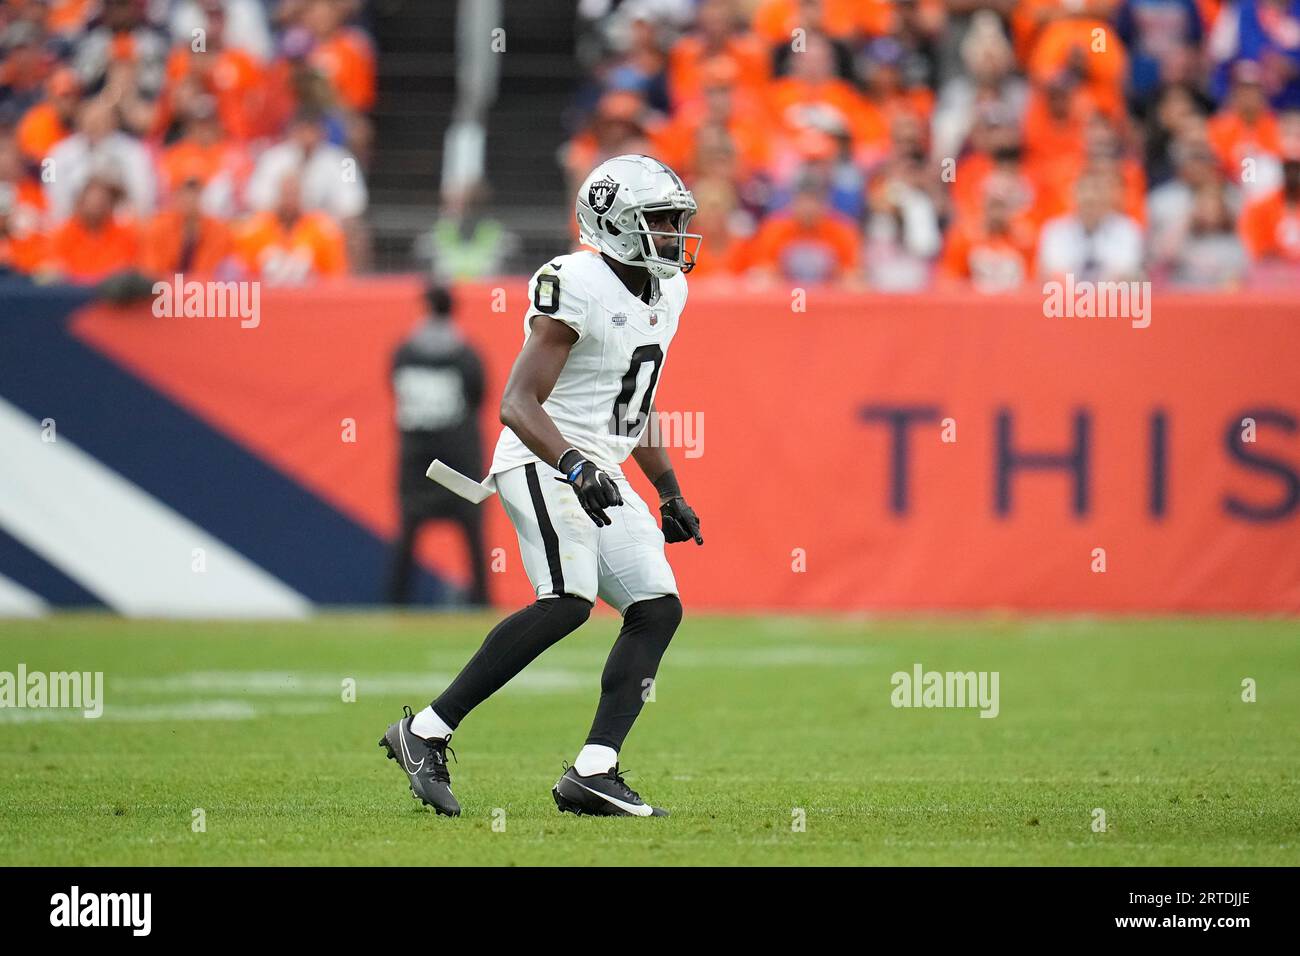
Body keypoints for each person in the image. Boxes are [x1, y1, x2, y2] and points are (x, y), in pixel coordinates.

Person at [380, 155, 704, 818]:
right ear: (614, 225)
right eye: (660, 221)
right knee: (566, 599)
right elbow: (518, 402)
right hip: (543, 456)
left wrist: (668, 488)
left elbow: (632, 406)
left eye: (675, 221)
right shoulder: (575, 282)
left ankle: (593, 771)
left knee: (657, 606)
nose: (673, 234)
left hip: (602, 464)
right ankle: (424, 732)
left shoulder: (668, 292)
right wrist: (575, 467)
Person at [386, 283, 489, 607]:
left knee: (408, 529)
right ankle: (481, 601)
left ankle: (396, 602)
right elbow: (478, 396)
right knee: (472, 531)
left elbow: (395, 387)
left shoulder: (403, 352)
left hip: (416, 455)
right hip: (460, 451)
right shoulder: (467, 355)